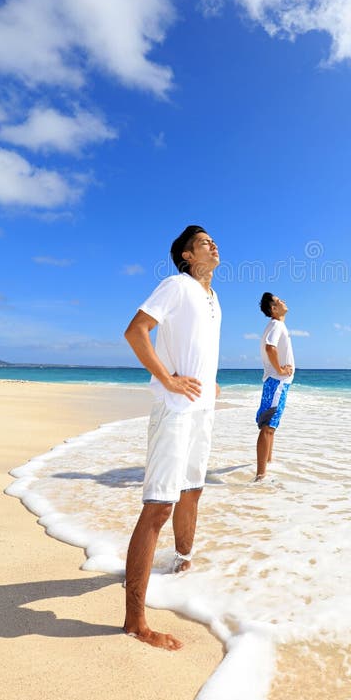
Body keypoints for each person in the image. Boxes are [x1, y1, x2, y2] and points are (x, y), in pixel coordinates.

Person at [122, 225, 221, 650]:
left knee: (192, 491)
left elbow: (197, 348)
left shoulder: (213, 299)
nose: (213, 245)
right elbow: (136, 331)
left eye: (213, 241)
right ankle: (134, 623)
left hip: (202, 410)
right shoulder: (177, 285)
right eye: (203, 242)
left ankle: (182, 564)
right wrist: (169, 379)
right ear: (186, 255)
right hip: (175, 409)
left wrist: (209, 383)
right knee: (160, 506)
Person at [255, 293, 295, 482]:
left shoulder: (277, 325)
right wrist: (280, 369)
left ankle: (268, 464)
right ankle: (261, 476)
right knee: (268, 426)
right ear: (273, 309)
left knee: (272, 425)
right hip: (277, 381)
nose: (283, 301)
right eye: (279, 301)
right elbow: (271, 348)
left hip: (277, 382)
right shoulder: (276, 325)